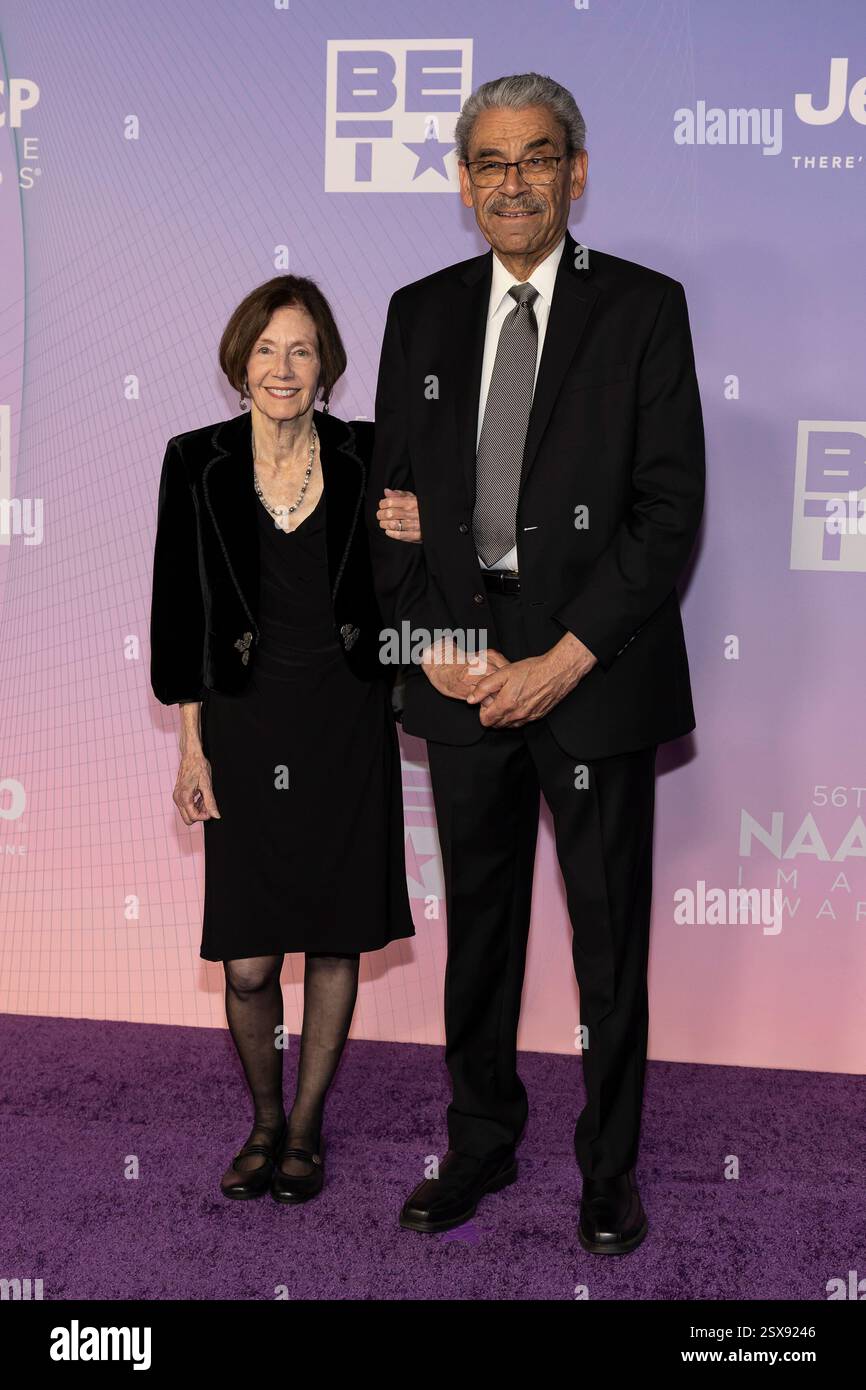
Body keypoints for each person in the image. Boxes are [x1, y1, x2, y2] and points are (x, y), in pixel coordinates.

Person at [368, 72, 705, 1253]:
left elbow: (667, 512)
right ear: (463, 184)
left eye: (536, 157)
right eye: (490, 162)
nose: (513, 181)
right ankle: (478, 1140)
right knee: (482, 928)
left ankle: (606, 1170)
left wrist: (561, 658)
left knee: (607, 945)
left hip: (591, 673)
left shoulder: (643, 309)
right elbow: (391, 502)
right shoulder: (417, 311)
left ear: (573, 171)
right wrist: (447, 652)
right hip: (461, 672)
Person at [150, 275, 414, 1205]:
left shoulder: (372, 455)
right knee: (252, 957)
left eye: (301, 350)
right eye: (266, 349)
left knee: (336, 937)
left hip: (345, 719)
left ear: (326, 364)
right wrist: (190, 747)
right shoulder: (196, 461)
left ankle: (303, 1132)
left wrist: (413, 537)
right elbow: (178, 618)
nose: (283, 368)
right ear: (240, 361)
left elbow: (412, 583)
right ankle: (262, 1120)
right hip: (243, 725)